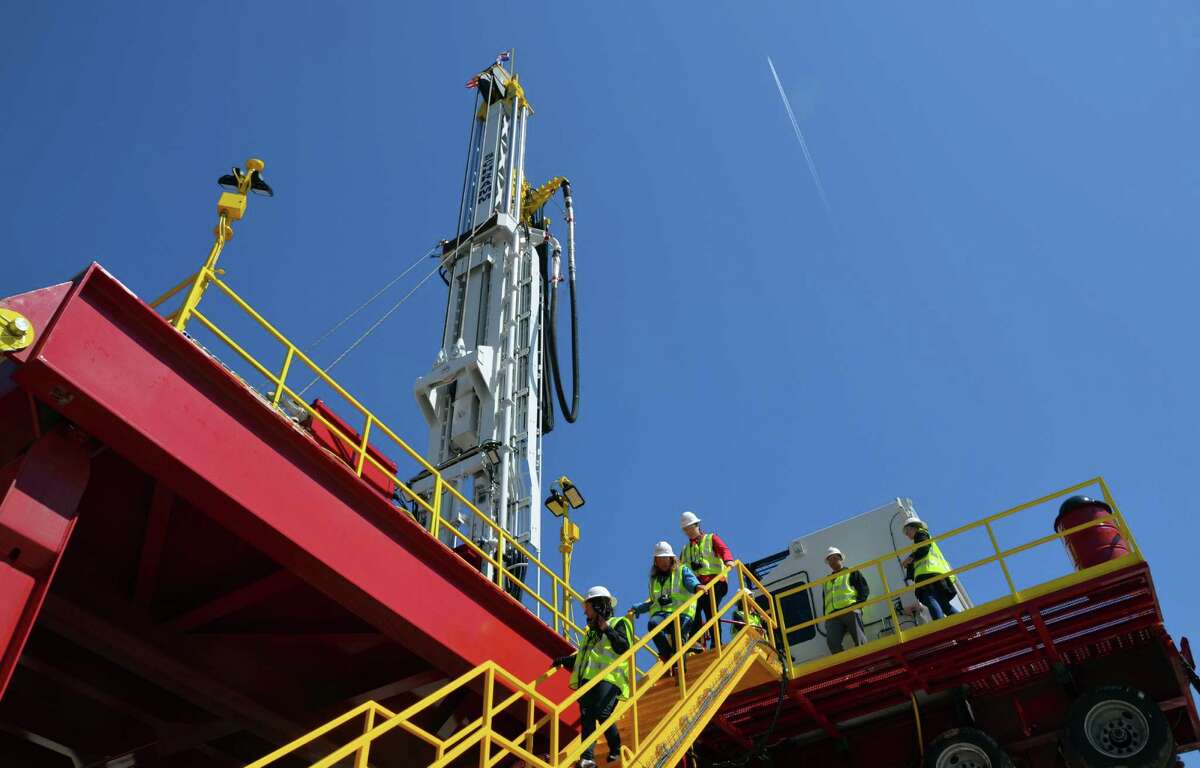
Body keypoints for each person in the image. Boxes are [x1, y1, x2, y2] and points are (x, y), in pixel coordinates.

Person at [552, 585, 634, 767]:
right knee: (588, 717)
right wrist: (563, 660)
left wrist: (606, 628)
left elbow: (624, 647)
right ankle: (587, 758)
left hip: (610, 678)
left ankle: (616, 747)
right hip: (589, 680)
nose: (585, 614)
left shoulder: (619, 623)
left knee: (602, 712)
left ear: (598, 606)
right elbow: (583, 658)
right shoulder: (590, 634)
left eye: (588, 609)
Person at [628, 541, 704, 665]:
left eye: (665, 558)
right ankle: (666, 653)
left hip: (682, 613)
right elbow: (654, 601)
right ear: (655, 562)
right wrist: (639, 608)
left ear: (671, 558)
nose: (662, 562)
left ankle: (680, 669)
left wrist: (697, 586)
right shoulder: (654, 580)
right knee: (653, 624)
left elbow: (690, 581)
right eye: (659, 559)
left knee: (677, 636)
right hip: (663, 614)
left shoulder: (681, 570)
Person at [679, 511, 735, 649]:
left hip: (716, 581)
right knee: (694, 610)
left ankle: (716, 643)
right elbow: (679, 569)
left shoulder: (711, 538)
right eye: (685, 529)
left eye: (689, 527)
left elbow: (724, 549)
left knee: (710, 608)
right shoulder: (686, 549)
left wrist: (729, 561)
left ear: (697, 525)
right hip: (699, 587)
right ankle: (695, 643)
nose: (688, 531)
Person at [901, 517, 958, 620]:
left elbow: (923, 549)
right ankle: (963, 619)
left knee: (930, 598)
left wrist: (910, 558)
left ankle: (940, 626)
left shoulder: (921, 534)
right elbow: (919, 556)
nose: (906, 534)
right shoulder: (918, 542)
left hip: (928, 575)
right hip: (935, 575)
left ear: (914, 527)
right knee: (944, 605)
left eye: (906, 530)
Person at [822, 546, 869, 654]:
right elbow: (825, 600)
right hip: (833, 616)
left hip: (850, 610)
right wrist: (827, 617)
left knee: (860, 640)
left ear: (840, 558)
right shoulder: (826, 580)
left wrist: (858, 606)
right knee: (832, 642)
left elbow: (864, 589)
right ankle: (845, 664)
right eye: (829, 560)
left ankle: (865, 660)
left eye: (834, 558)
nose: (832, 562)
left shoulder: (851, 572)